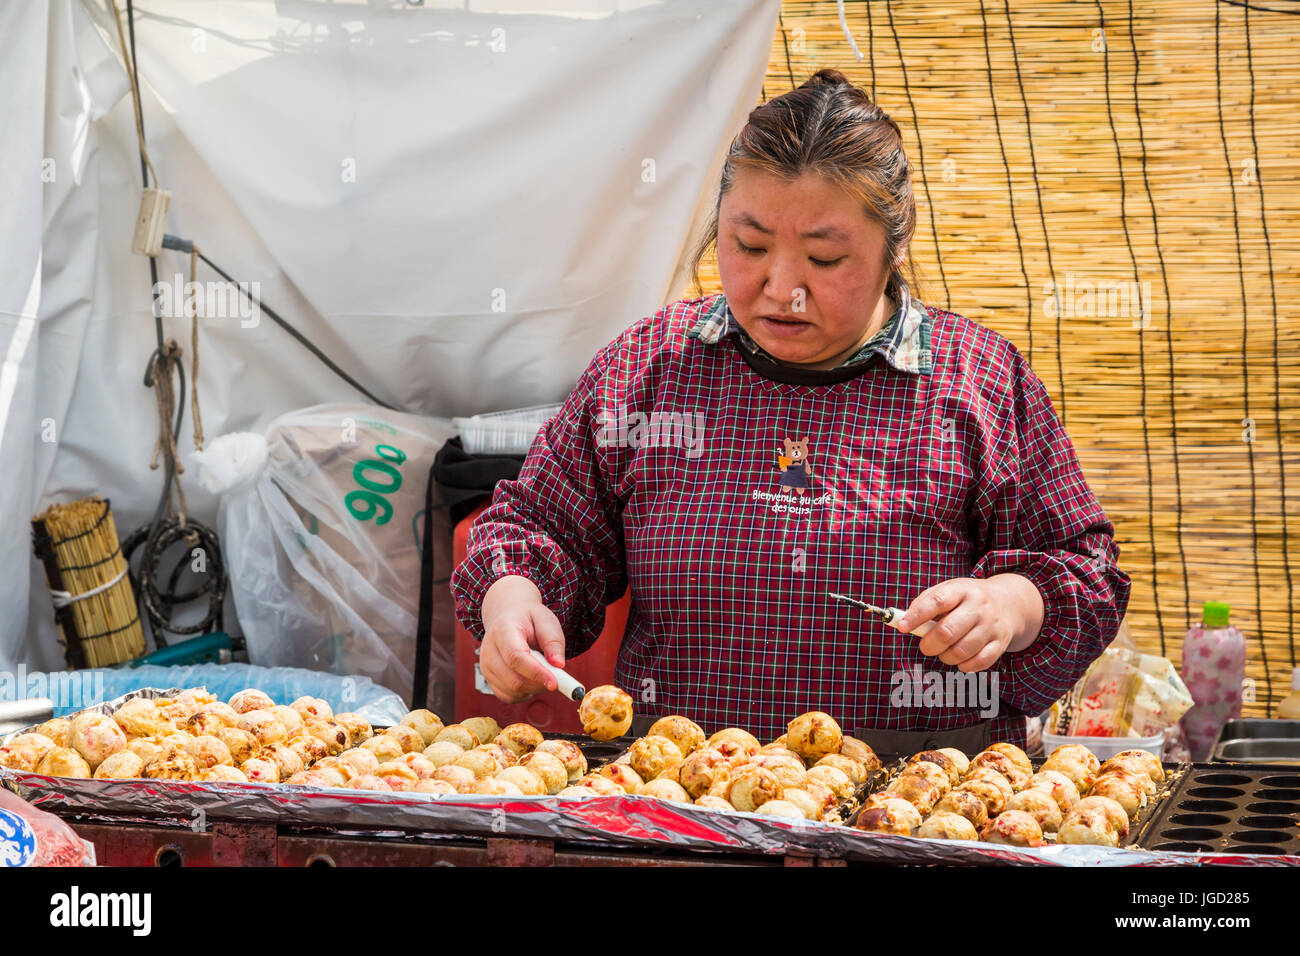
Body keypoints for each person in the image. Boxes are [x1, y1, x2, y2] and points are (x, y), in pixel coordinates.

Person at [450, 68, 1131, 751]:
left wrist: (1013, 605)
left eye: (824, 258)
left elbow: (1087, 574)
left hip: (918, 809)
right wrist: (512, 596)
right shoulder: (647, 370)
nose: (782, 289)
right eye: (748, 247)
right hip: (681, 799)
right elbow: (538, 527)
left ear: (895, 245)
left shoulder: (978, 382)